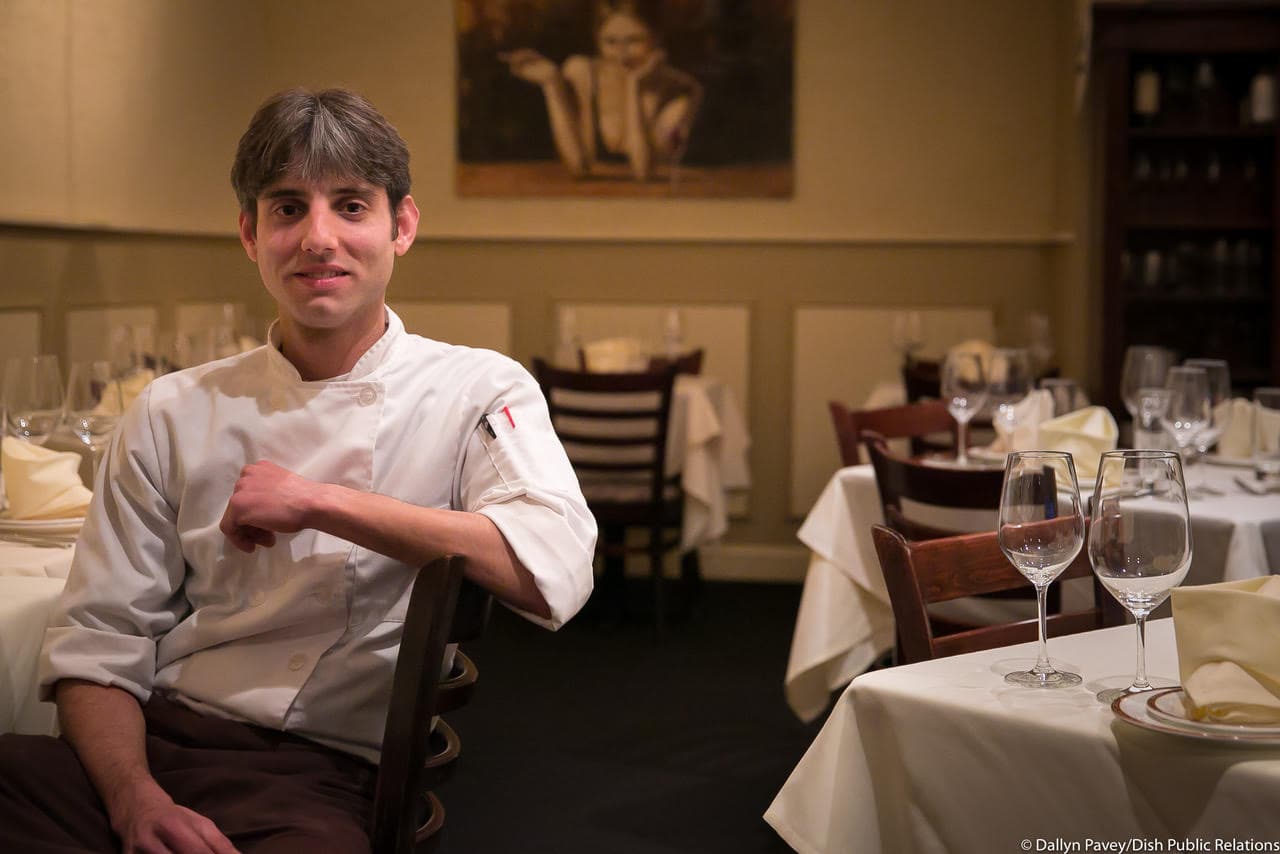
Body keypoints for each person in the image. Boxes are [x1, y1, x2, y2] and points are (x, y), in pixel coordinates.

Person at [0, 88, 595, 854]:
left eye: (351, 206)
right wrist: (134, 800)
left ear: (401, 226)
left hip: (321, 771)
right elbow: (98, 638)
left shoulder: (478, 389)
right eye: (287, 209)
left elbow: (551, 563)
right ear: (250, 234)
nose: (319, 238)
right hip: (144, 745)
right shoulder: (171, 408)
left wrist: (320, 502)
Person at [501, 0, 703, 182]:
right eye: (610, 42)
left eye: (634, 41)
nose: (621, 54)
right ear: (597, 41)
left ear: (656, 40)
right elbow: (578, 166)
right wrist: (552, 85)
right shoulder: (582, 72)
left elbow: (643, 172)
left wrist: (633, 86)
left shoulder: (681, 89)